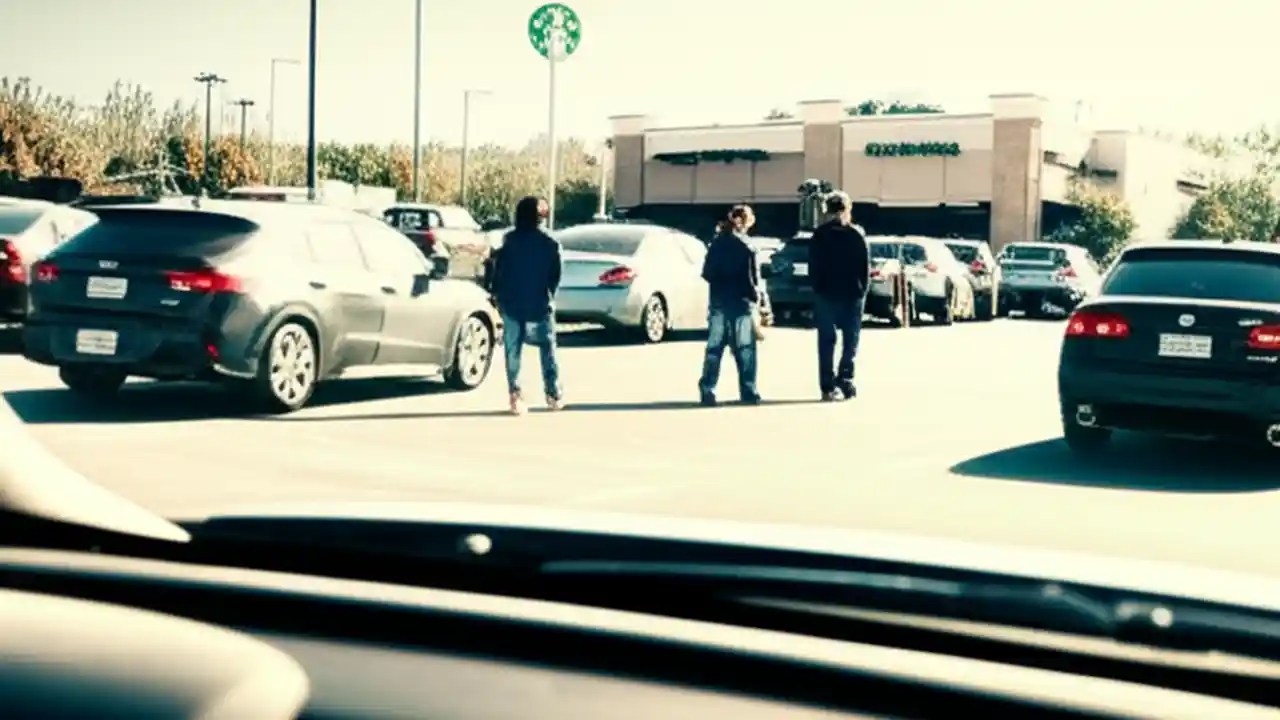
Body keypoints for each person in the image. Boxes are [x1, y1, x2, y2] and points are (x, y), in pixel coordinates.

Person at [487, 196, 564, 415]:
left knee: (513, 353)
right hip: (540, 303)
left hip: (512, 303)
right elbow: (555, 277)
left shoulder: (509, 240)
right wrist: (549, 296)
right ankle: (553, 393)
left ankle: (516, 395)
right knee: (548, 350)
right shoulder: (550, 244)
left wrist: (499, 297)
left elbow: (500, 270)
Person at [697, 205, 763, 406]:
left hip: (719, 302)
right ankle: (748, 390)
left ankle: (708, 389)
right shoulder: (747, 247)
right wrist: (756, 299)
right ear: (746, 222)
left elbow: (707, 273)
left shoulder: (716, 244)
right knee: (745, 350)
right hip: (741, 304)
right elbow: (752, 280)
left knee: (714, 348)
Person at [808, 191, 869, 402]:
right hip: (852, 292)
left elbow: (813, 266)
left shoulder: (820, 234)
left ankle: (827, 385)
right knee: (850, 339)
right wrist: (862, 291)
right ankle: (846, 378)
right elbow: (864, 267)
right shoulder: (856, 234)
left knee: (826, 340)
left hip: (825, 292)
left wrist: (817, 287)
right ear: (847, 209)